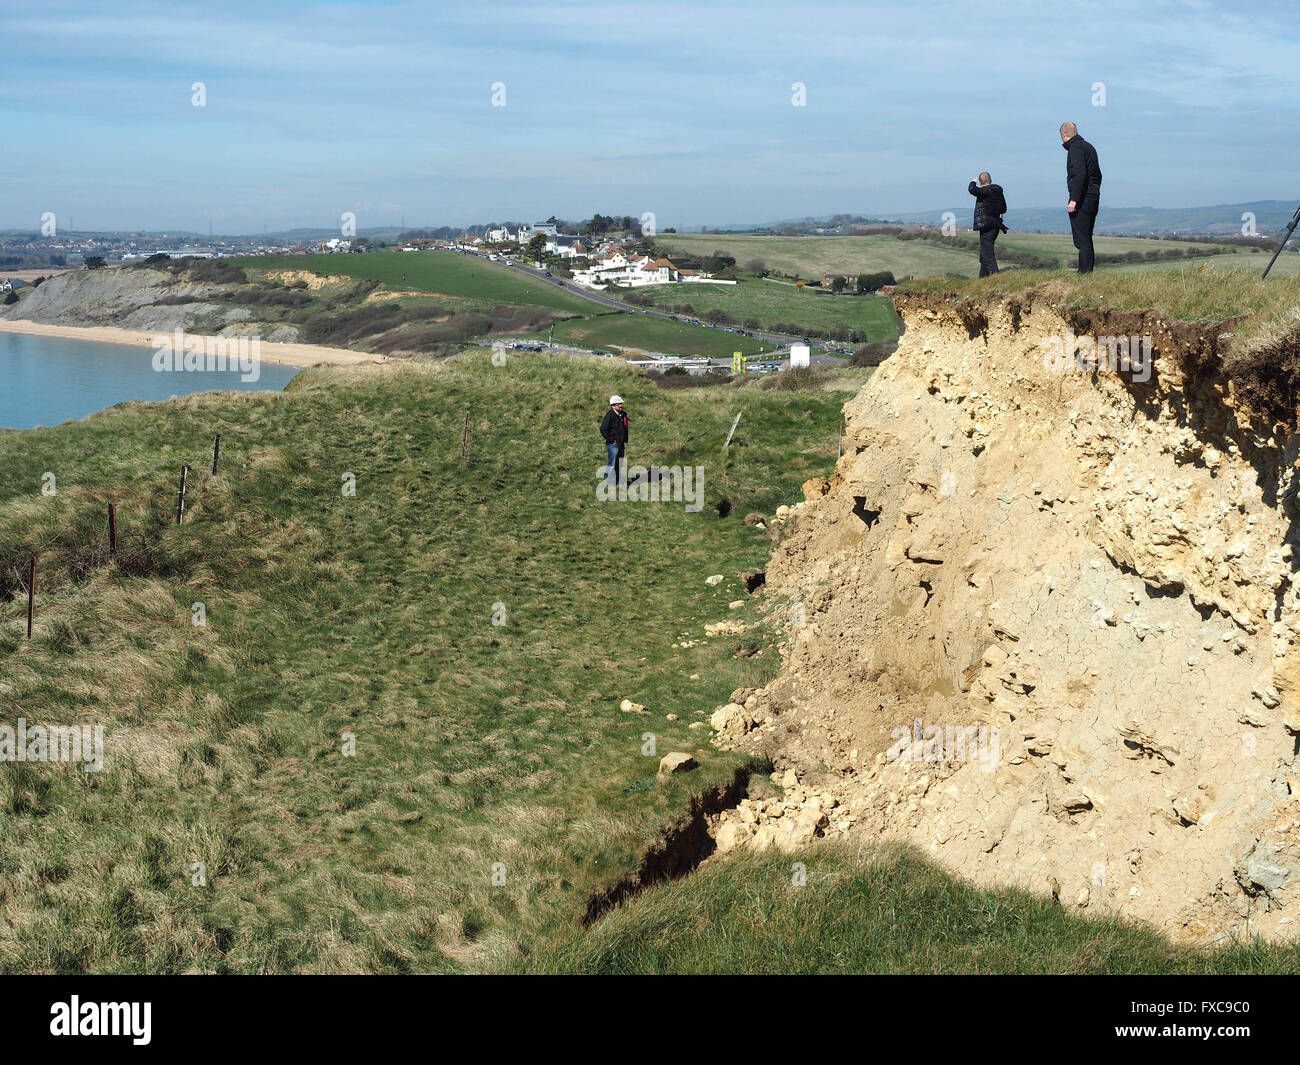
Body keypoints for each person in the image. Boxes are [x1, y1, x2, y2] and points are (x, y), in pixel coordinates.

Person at [1060, 122, 1102, 273]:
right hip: (1093, 197)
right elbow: (1098, 175)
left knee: (1082, 240)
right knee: (1086, 238)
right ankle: (1087, 272)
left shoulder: (1075, 149)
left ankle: (1084, 274)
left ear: (1064, 135)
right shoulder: (1089, 147)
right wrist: (1095, 191)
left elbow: (1080, 175)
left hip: (1082, 199)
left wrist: (1074, 199)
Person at [967, 172, 1008, 277]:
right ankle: (982, 279)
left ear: (980, 182)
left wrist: (973, 181)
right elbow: (1004, 209)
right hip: (996, 226)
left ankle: (996, 277)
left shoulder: (985, 191)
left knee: (987, 254)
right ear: (991, 180)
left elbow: (972, 189)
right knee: (985, 252)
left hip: (986, 226)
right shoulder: (998, 192)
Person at [600, 395, 628, 485]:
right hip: (613, 445)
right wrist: (612, 440)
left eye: (621, 403)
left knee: (620, 463)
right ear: (613, 406)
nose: (621, 405)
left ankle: (617, 480)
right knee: (612, 464)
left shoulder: (623, 414)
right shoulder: (610, 415)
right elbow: (603, 429)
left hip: (621, 444)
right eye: (618, 404)